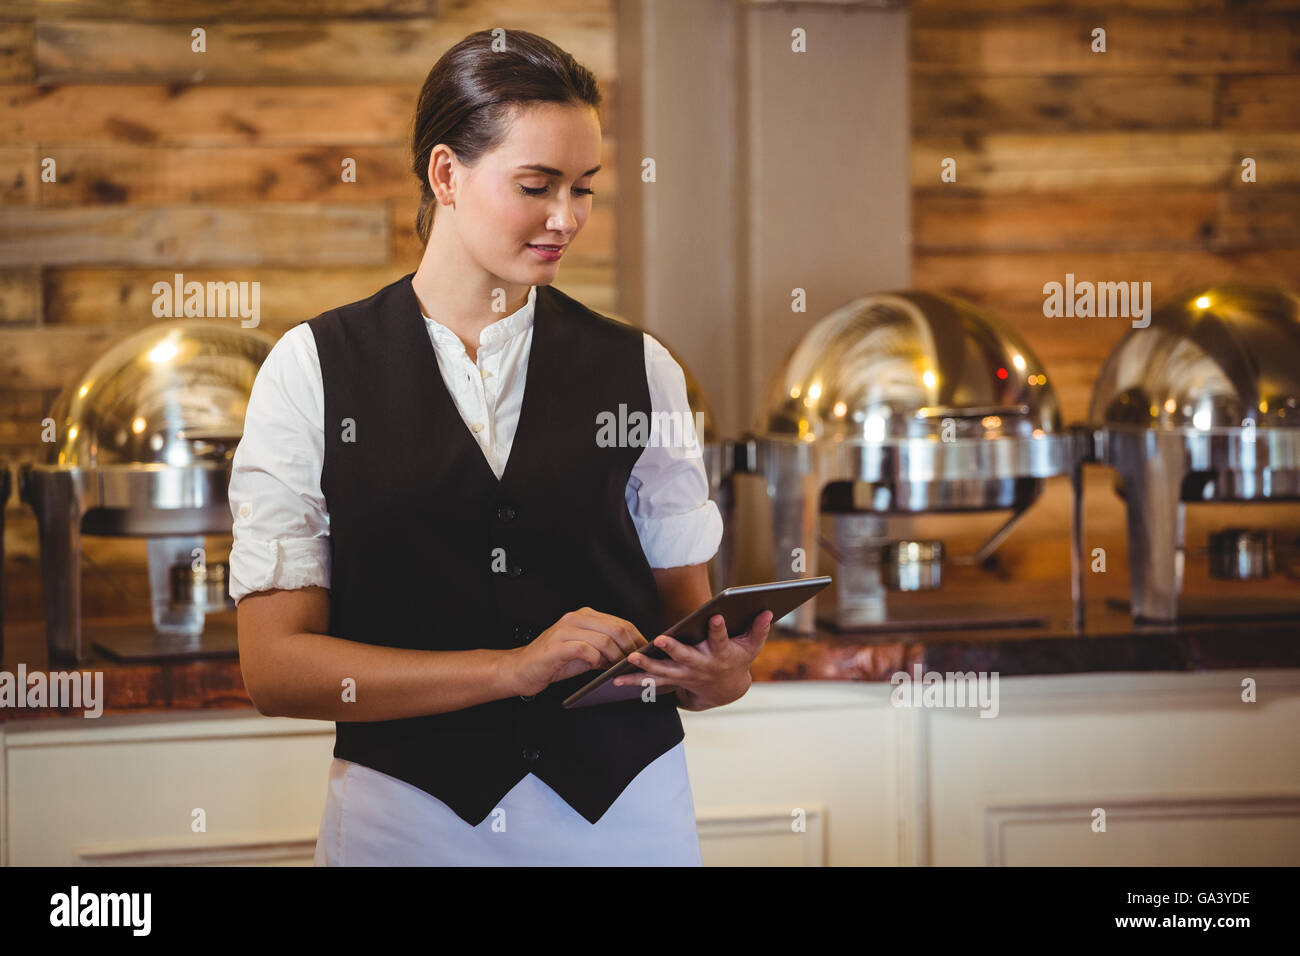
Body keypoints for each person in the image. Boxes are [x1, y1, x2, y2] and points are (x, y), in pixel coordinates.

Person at [228, 28, 773, 866]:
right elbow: (276, 669)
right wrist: (508, 670)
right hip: (408, 823)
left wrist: (719, 676)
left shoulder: (643, 370)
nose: (567, 218)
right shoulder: (311, 372)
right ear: (445, 174)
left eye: (584, 188)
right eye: (536, 185)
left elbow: (682, 629)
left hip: (625, 822)